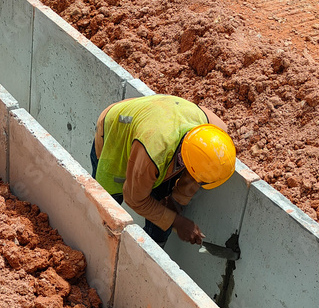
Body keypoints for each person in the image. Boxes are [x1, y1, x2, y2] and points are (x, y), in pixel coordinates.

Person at [90, 94, 235, 247]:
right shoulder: (153, 154)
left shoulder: (216, 138)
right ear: (184, 160)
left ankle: (147, 259)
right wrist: (178, 222)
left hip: (160, 126)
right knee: (106, 208)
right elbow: (134, 198)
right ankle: (95, 245)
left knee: (163, 217)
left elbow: (197, 171)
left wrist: (176, 202)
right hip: (118, 127)